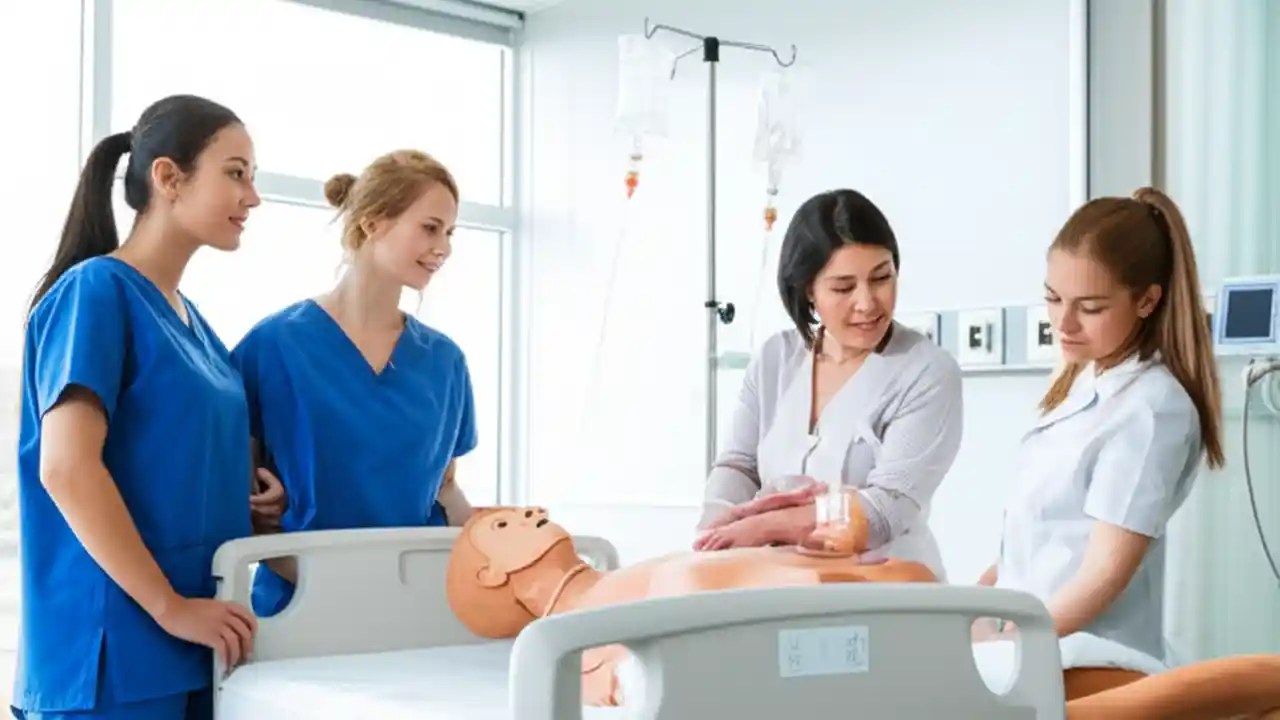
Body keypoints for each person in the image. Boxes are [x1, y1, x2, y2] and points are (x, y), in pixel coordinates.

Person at [447, 506, 1280, 718]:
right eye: (509, 523)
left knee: (1060, 692)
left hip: (859, 609)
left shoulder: (609, 594)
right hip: (817, 644)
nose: (535, 513)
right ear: (493, 576)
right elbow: (616, 681)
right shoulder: (570, 641)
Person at [12, 95, 269, 720]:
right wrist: (169, 607)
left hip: (194, 644)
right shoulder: (96, 292)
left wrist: (254, 502)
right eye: (235, 173)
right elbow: (67, 469)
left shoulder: (198, 327)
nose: (253, 197)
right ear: (167, 178)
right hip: (111, 654)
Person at [976, 188, 1224, 695]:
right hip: (1035, 643)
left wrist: (1008, 634)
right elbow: (1037, 542)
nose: (1063, 324)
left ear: (1147, 301)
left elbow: (1103, 575)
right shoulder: (1086, 383)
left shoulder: (1153, 408)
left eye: (1089, 307)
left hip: (1087, 654)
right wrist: (972, 607)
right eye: (1053, 298)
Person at [230, 150, 478, 618]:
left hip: (417, 604)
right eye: (429, 227)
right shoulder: (273, 346)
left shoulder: (445, 362)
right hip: (300, 603)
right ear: (371, 223)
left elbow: (445, 491)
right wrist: (332, 587)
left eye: (449, 232)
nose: (443, 246)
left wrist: (504, 543)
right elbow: (242, 501)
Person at [693, 189, 963, 581]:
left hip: (887, 589)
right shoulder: (776, 359)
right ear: (808, 290)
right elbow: (738, 465)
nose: (867, 302)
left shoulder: (926, 373)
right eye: (842, 287)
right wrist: (714, 533)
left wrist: (762, 527)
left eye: (882, 278)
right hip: (777, 582)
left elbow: (885, 509)